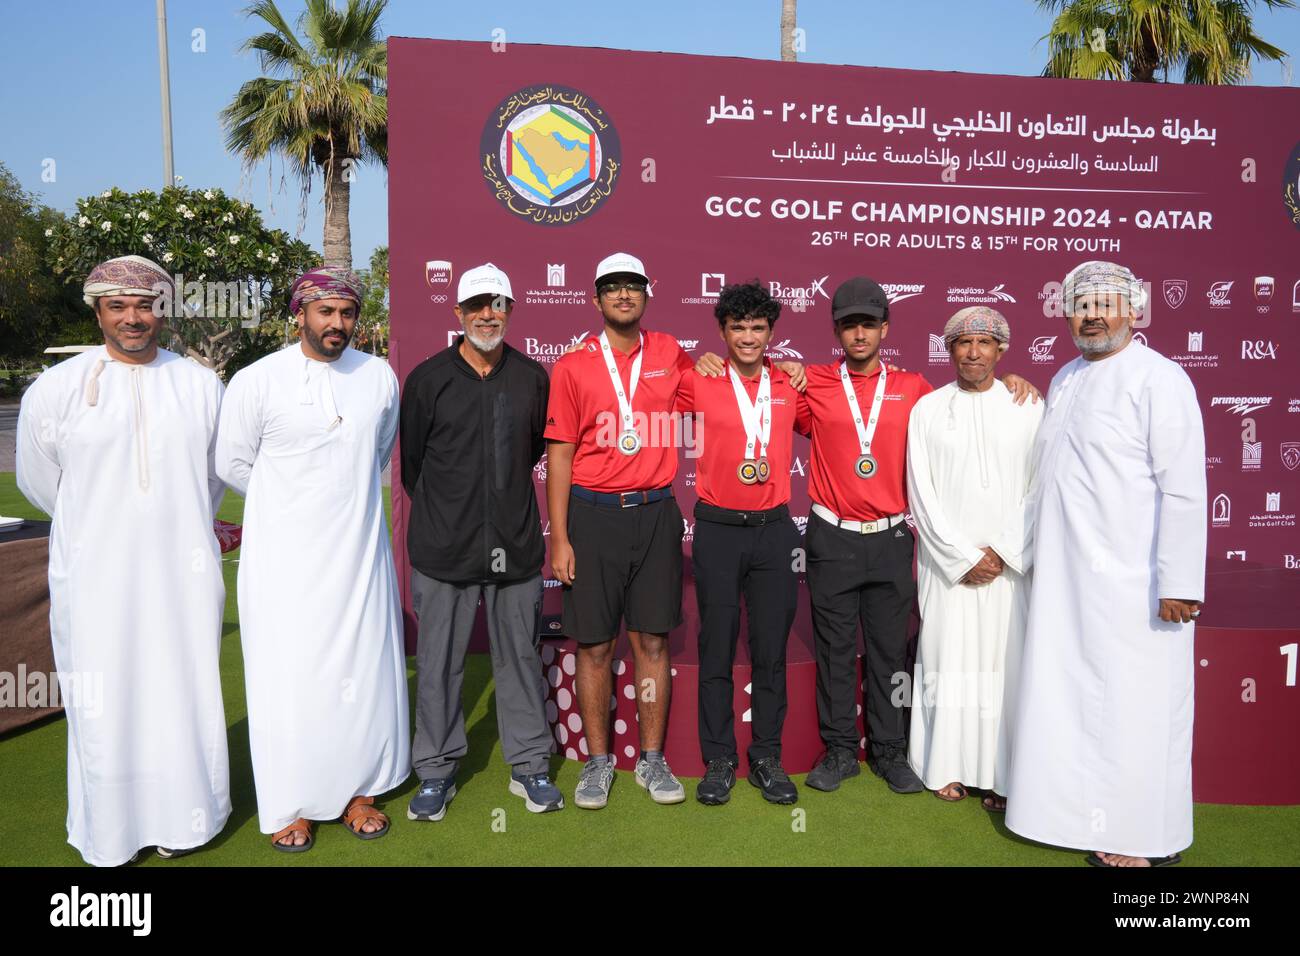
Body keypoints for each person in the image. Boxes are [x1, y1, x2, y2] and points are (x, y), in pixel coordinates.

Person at [16, 255, 230, 865]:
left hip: (181, 571)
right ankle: (112, 832)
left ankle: (186, 821)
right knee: (103, 699)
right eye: (119, 306)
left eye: (145, 305)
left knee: (181, 689)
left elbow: (210, 479)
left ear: (162, 309)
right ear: (97, 310)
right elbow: (40, 482)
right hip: (95, 575)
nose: (133, 318)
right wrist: (101, 525)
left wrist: (173, 523)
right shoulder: (56, 389)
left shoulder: (199, 385)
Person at [1006, 261, 1206, 867]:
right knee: (1074, 702)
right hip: (1067, 581)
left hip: (1135, 585)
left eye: (1105, 304)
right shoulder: (1065, 376)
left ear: (1134, 309)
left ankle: (1142, 840)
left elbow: (1185, 489)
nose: (1092, 315)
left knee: (1136, 709)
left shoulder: (1159, 379)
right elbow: (1050, 481)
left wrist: (1179, 582)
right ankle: (1074, 819)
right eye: (1081, 305)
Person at [216, 266, 409, 853]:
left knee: (360, 672)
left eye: (347, 312)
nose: (337, 324)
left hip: (357, 556)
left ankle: (357, 791)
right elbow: (232, 463)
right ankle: (290, 803)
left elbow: (376, 451)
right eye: (325, 312)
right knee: (289, 676)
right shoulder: (257, 379)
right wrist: (290, 507)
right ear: (299, 313)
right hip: (283, 561)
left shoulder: (377, 377)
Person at [400, 263, 562, 819]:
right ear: (458, 313)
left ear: (511, 310)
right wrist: (456, 514)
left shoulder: (533, 377)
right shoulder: (426, 378)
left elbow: (534, 453)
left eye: (497, 305)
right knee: (439, 663)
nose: (486, 315)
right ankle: (437, 772)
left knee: (518, 657)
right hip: (443, 548)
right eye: (476, 305)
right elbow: (413, 466)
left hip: (514, 546)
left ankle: (530, 766)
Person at [545, 252, 695, 809]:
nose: (624, 295)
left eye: (633, 286)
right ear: (596, 297)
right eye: (612, 287)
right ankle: (598, 762)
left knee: (652, 640)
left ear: (647, 295)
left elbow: (722, 389)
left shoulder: (671, 353)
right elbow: (558, 455)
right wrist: (559, 537)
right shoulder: (572, 365)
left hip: (656, 512)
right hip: (593, 515)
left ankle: (652, 762)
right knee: (594, 645)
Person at [905, 307, 1043, 812]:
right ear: (949, 350)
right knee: (950, 662)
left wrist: (1003, 552)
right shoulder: (927, 410)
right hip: (949, 571)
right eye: (963, 343)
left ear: (1001, 350)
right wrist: (963, 557)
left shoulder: (1028, 405)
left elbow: (1039, 488)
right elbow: (921, 493)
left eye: (985, 343)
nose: (974, 352)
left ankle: (1004, 775)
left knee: (1005, 667)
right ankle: (947, 765)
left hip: (1010, 569)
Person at [676, 281, 802, 806]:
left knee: (771, 650)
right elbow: (640, 388)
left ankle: (767, 756)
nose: (748, 337)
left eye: (757, 327)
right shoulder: (696, 380)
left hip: (775, 530)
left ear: (771, 332)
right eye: (737, 327)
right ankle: (720, 759)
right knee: (718, 646)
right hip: (718, 530)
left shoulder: (795, 381)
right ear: (722, 331)